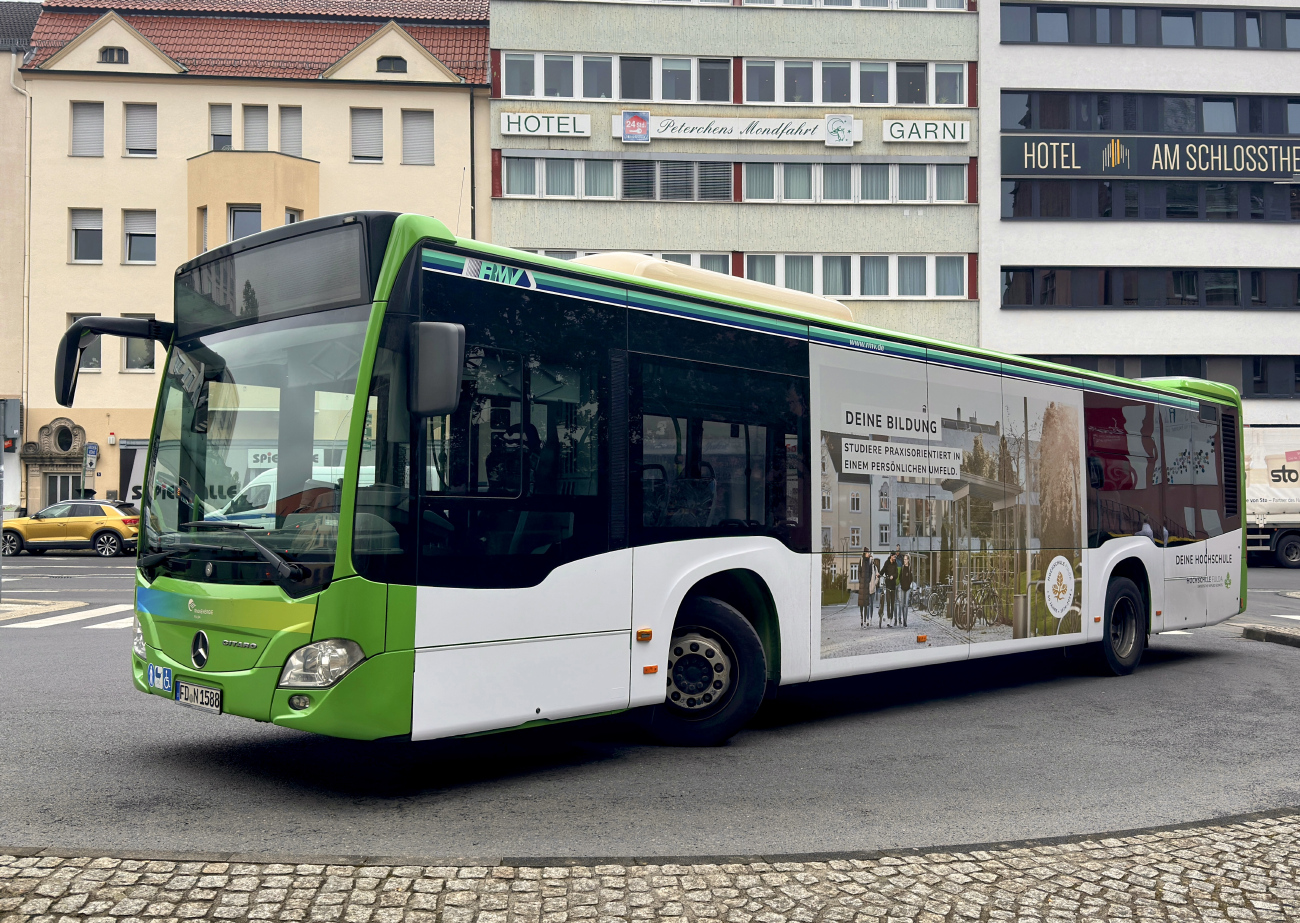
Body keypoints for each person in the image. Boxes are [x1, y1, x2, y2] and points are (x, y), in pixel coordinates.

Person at [858, 550, 877, 628]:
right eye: (868, 552)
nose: (869, 554)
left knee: (866, 604)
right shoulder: (861, 560)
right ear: (865, 553)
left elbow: (870, 572)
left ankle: (865, 620)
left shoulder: (869, 562)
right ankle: (862, 619)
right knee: (861, 604)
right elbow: (859, 571)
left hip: (867, 586)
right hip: (862, 585)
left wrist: (868, 580)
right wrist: (860, 580)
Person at [881, 551, 898, 627]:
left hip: (893, 586)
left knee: (892, 604)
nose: (895, 558)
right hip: (887, 585)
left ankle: (891, 618)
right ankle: (888, 618)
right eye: (894, 556)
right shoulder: (887, 563)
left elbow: (896, 574)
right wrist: (879, 574)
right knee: (888, 603)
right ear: (891, 556)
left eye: (895, 557)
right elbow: (883, 570)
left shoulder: (895, 564)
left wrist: (893, 576)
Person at [899, 554, 914, 628]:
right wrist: (901, 584)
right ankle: (903, 618)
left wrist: (909, 584)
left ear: (908, 560)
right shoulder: (902, 568)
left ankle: (905, 620)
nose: (905, 561)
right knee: (902, 604)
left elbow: (911, 578)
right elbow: (900, 577)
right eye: (904, 559)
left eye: (906, 559)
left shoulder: (910, 568)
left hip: (907, 588)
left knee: (906, 604)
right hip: (902, 588)